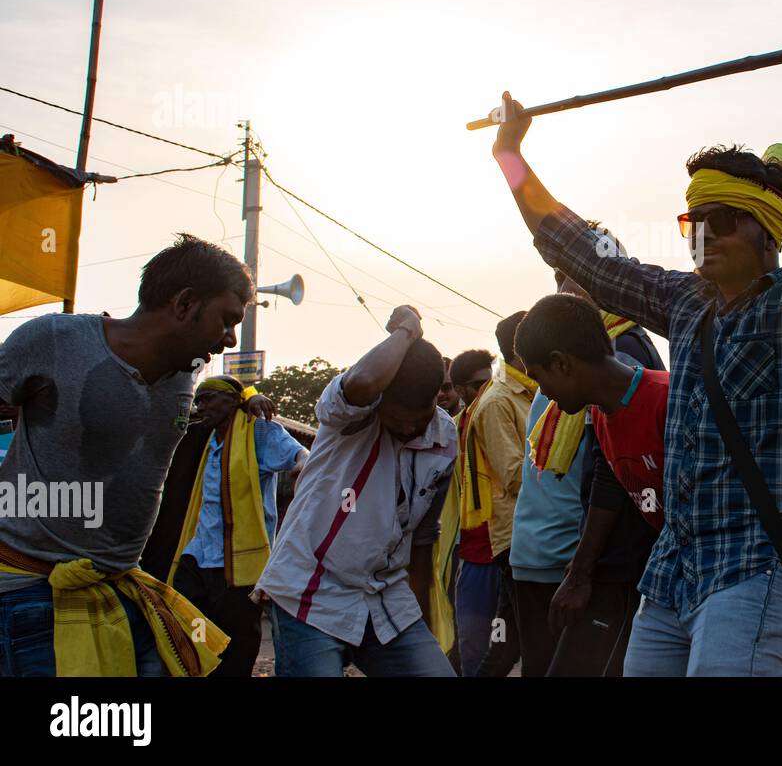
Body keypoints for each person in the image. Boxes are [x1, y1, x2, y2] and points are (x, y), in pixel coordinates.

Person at [492, 17, 782, 676]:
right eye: (693, 220)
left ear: (767, 231)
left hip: (756, 565)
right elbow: (580, 252)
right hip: (673, 568)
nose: (703, 233)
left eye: (722, 220)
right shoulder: (685, 303)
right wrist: (510, 155)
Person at [0, 234, 268, 676]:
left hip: (126, 586)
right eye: (226, 320)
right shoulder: (52, 340)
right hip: (32, 593)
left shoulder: (189, 372)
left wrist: (250, 394)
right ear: (184, 304)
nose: (229, 339)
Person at [253, 305, 457, 677]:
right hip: (310, 591)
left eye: (419, 417)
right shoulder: (352, 414)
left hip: (386, 598)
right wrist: (407, 331)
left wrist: (422, 621)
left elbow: (424, 536)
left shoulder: (445, 438)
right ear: (381, 401)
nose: (409, 428)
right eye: (398, 419)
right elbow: (363, 381)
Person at [509, 253, 663, 676]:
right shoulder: (605, 408)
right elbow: (612, 481)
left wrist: (582, 573)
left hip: (635, 579)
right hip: (614, 575)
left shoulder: (658, 394)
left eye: (542, 379)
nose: (544, 394)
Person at [168, 374, 308, 676]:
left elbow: (304, 456)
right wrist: (247, 394)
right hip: (198, 555)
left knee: (237, 641)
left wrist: (301, 469)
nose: (200, 406)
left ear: (232, 401)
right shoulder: (205, 439)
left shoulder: (259, 432)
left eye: (207, 398)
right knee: (190, 624)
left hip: (238, 561)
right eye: (198, 399)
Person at [455, 311, 536, 677]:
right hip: (513, 540)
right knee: (508, 643)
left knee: (512, 642)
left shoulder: (532, 393)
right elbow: (515, 475)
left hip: (529, 537)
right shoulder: (498, 402)